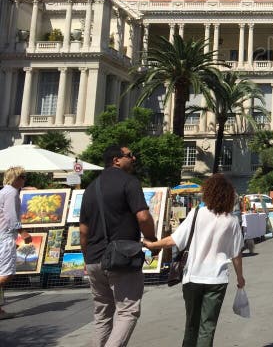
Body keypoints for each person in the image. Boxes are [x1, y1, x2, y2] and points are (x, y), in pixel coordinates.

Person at [144, 174, 245, 347]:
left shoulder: (197, 213)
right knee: (208, 327)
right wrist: (240, 278)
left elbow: (175, 240)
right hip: (217, 279)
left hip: (193, 276)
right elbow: (236, 254)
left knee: (191, 324)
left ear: (208, 193)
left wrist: (153, 244)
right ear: (228, 196)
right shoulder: (232, 221)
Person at [80, 145, 158, 347]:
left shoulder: (90, 188)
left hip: (94, 259)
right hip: (121, 259)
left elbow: (83, 231)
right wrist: (153, 240)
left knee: (102, 313)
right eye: (130, 155)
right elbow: (143, 216)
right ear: (116, 160)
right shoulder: (129, 182)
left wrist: (87, 259)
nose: (134, 158)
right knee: (127, 311)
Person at [0, 166, 32, 319]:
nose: (24, 180)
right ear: (16, 178)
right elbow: (11, 216)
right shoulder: (12, 192)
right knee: (6, 273)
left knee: (4, 272)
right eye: (23, 176)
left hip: (3, 235)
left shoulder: (4, 191)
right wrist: (22, 232)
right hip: (5, 236)